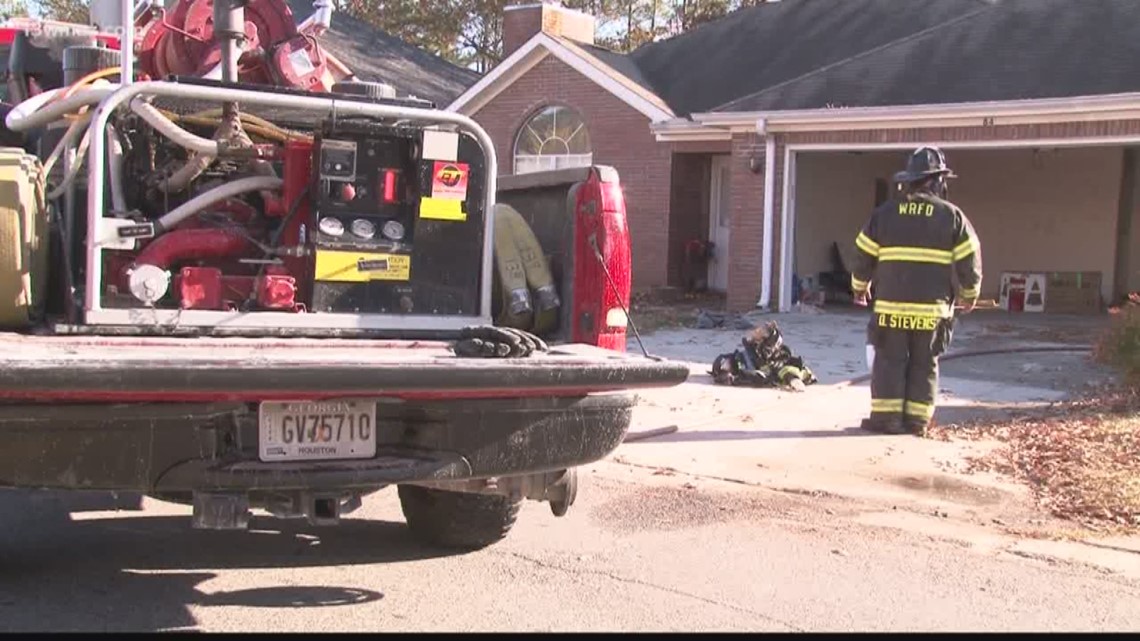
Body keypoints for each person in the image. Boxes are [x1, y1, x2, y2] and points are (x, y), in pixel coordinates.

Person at [850, 147, 983, 436]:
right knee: (925, 364)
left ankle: (887, 420)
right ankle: (917, 421)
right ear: (937, 181)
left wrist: (860, 286)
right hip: (932, 313)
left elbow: (863, 254)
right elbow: (970, 257)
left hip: (891, 310)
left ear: (909, 180)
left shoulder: (884, 215)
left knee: (889, 362)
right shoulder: (952, 216)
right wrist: (970, 294)